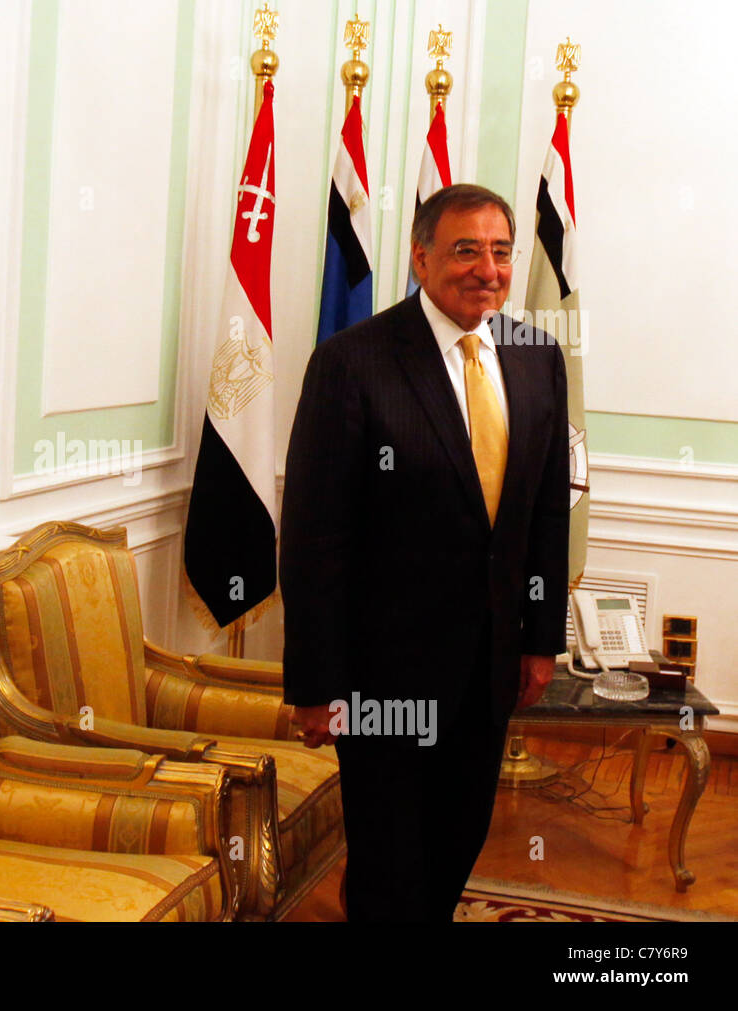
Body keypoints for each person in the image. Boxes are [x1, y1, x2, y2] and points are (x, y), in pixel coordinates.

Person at [279, 184, 569, 921]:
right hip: (384, 677)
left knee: (455, 841)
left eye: (500, 251)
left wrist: (540, 642)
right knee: (388, 861)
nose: (488, 268)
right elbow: (314, 534)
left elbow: (542, 518)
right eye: (465, 249)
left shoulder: (538, 360)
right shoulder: (352, 362)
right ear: (421, 256)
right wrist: (316, 681)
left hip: (492, 667)